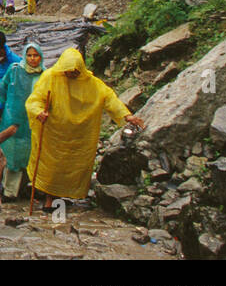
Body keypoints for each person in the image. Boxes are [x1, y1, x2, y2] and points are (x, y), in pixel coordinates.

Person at [25, 47, 144, 210]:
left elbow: (109, 98)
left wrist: (126, 115)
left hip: (80, 135)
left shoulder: (92, 83)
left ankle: (61, 196)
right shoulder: (51, 77)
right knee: (53, 167)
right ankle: (49, 199)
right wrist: (39, 112)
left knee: (72, 167)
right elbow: (34, 100)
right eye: (68, 71)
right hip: (54, 133)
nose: (71, 74)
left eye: (74, 71)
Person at [0, 38, 46, 199]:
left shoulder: (46, 76)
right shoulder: (14, 70)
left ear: (41, 57)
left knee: (31, 155)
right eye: (29, 55)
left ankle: (28, 189)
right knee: (10, 156)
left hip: (34, 123)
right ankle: (9, 192)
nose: (32, 59)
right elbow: (1, 91)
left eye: (36, 56)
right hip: (13, 121)